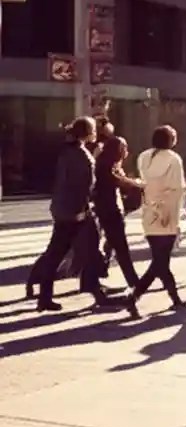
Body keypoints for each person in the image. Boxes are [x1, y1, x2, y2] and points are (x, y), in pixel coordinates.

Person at [28, 116, 136, 317]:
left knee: (58, 253)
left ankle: (45, 297)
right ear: (87, 133)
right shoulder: (82, 156)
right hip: (76, 212)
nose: (96, 133)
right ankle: (95, 293)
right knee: (89, 250)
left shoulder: (67, 152)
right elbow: (83, 187)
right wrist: (83, 210)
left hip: (63, 209)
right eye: (93, 130)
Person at [132, 125, 186, 312]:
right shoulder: (174, 159)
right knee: (160, 262)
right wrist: (176, 216)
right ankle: (133, 296)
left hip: (150, 212)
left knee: (160, 260)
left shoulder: (144, 157)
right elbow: (176, 189)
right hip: (167, 214)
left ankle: (175, 299)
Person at [92, 136, 143, 289]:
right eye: (123, 148)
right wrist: (138, 183)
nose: (126, 151)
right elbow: (120, 181)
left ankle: (100, 271)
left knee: (113, 244)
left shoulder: (109, 164)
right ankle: (133, 281)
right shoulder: (105, 166)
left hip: (111, 209)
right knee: (121, 247)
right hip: (110, 210)